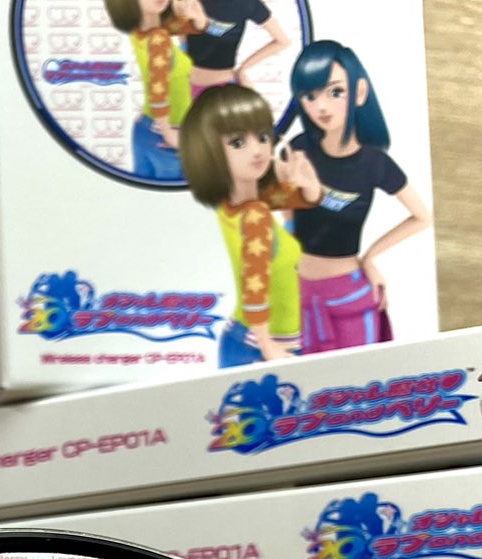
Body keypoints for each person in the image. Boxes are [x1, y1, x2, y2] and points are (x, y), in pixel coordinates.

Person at [288, 41, 432, 353]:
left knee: (358, 379)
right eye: (310, 96)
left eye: (335, 92)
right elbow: (288, 219)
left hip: (350, 296)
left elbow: (422, 217)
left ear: (360, 92)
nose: (322, 107)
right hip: (300, 295)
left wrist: (370, 257)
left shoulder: (374, 163)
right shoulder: (299, 149)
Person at [179, 82, 322, 367]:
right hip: (265, 346)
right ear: (209, 152)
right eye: (238, 143)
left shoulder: (231, 201)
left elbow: (306, 199)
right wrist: (267, 346)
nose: (258, 151)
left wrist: (304, 182)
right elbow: (255, 285)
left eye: (263, 137)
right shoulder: (256, 214)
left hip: (247, 339)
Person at [103, 0, 208, 179]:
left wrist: (198, 17)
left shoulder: (141, 31)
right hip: (169, 133)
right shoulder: (159, 38)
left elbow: (187, 27)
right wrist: (168, 134)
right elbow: (158, 90)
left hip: (146, 128)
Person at [182, 0, 292, 99]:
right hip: (185, 87)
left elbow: (283, 41)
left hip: (224, 92)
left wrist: (243, 68)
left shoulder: (245, 3)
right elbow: (185, 38)